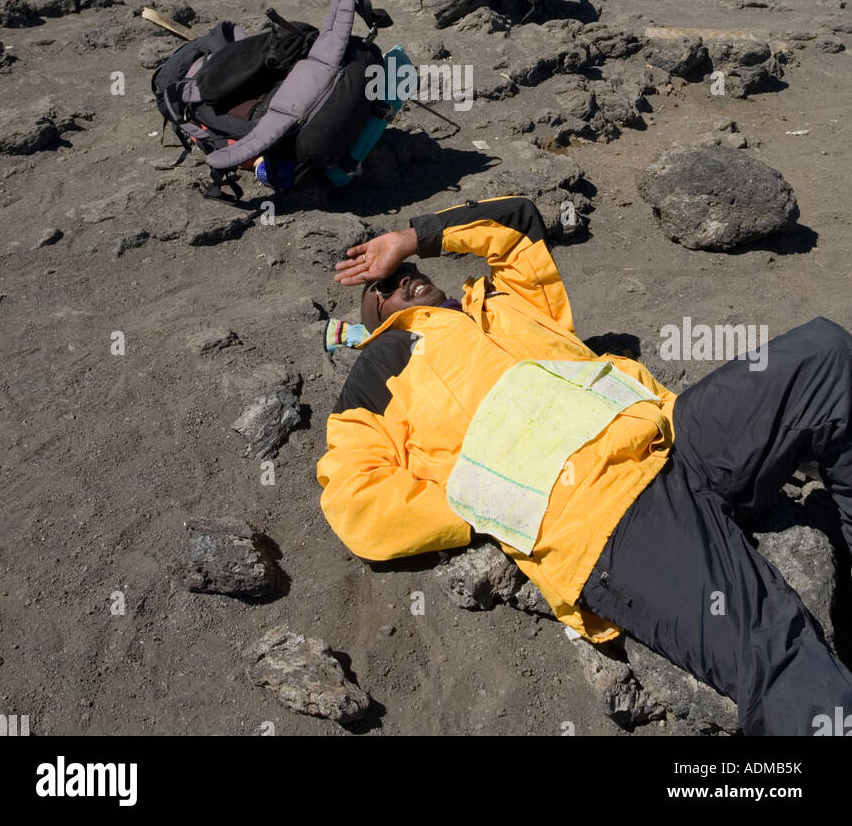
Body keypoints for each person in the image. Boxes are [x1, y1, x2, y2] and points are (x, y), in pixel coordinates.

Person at [316, 195, 852, 736]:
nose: (396, 280)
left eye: (402, 270)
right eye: (379, 288)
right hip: (605, 518)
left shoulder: (508, 304)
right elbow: (355, 504)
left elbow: (517, 222)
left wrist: (409, 238)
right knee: (781, 656)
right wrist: (498, 497)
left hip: (674, 436)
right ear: (370, 322)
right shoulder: (378, 372)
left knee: (826, 355)